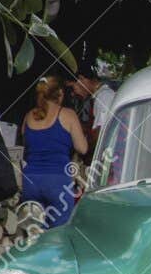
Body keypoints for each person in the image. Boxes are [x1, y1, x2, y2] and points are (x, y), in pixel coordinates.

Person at [21, 75, 88, 228]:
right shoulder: (68, 115)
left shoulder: (29, 116)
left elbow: (26, 145)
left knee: (33, 237)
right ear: (59, 93)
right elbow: (82, 148)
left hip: (30, 182)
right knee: (58, 237)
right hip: (58, 183)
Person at [70, 61, 117, 155]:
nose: (73, 93)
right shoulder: (97, 97)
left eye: (72, 88)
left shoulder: (104, 97)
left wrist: (84, 148)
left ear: (81, 79)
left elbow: (101, 133)